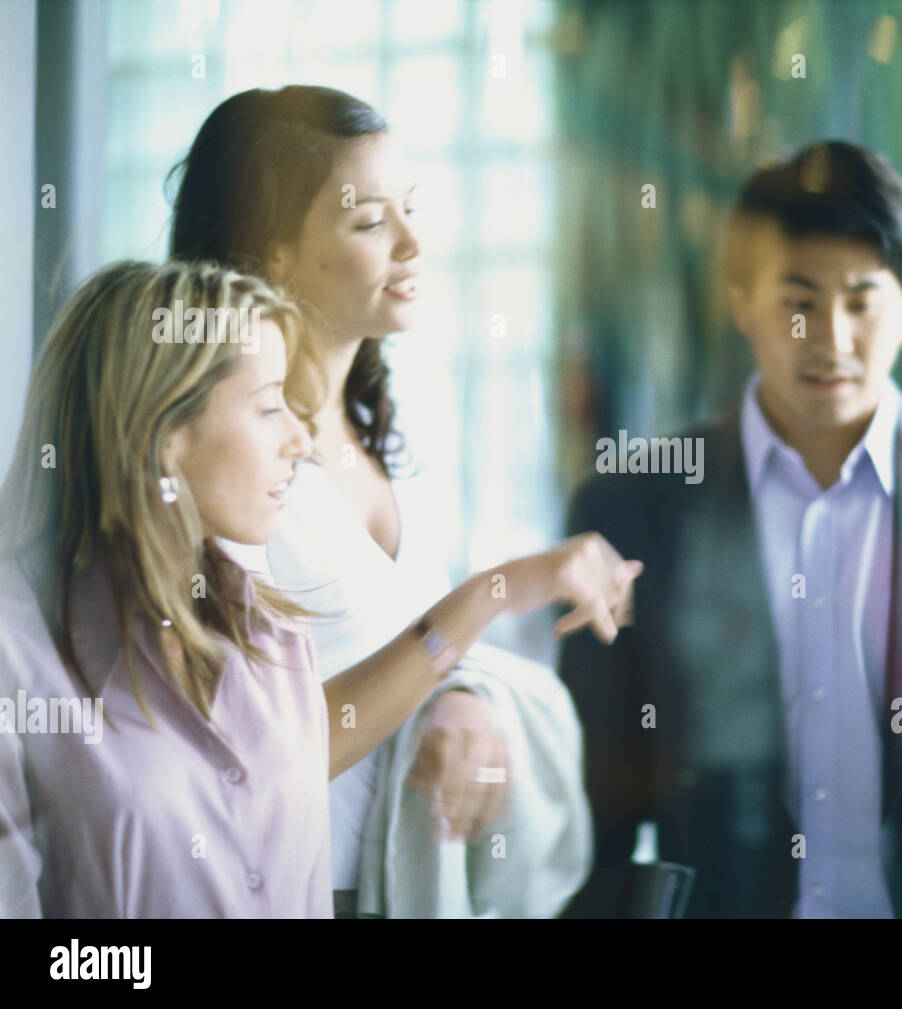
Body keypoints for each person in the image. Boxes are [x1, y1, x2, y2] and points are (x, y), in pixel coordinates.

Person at [0, 259, 637, 917]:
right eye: (270, 406)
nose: (302, 442)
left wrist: (497, 591)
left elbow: (317, 742)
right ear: (164, 431)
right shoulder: (15, 653)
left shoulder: (265, 624)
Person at [558, 140, 902, 917]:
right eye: (798, 300)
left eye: (861, 299)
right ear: (741, 301)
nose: (831, 339)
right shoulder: (634, 505)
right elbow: (595, 804)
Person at [167, 86, 620, 917]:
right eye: (371, 222)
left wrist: (468, 698)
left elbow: (419, 656)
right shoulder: (221, 466)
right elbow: (247, 749)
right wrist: (496, 592)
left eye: (410, 210)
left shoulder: (393, 448)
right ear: (272, 256)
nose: (414, 243)